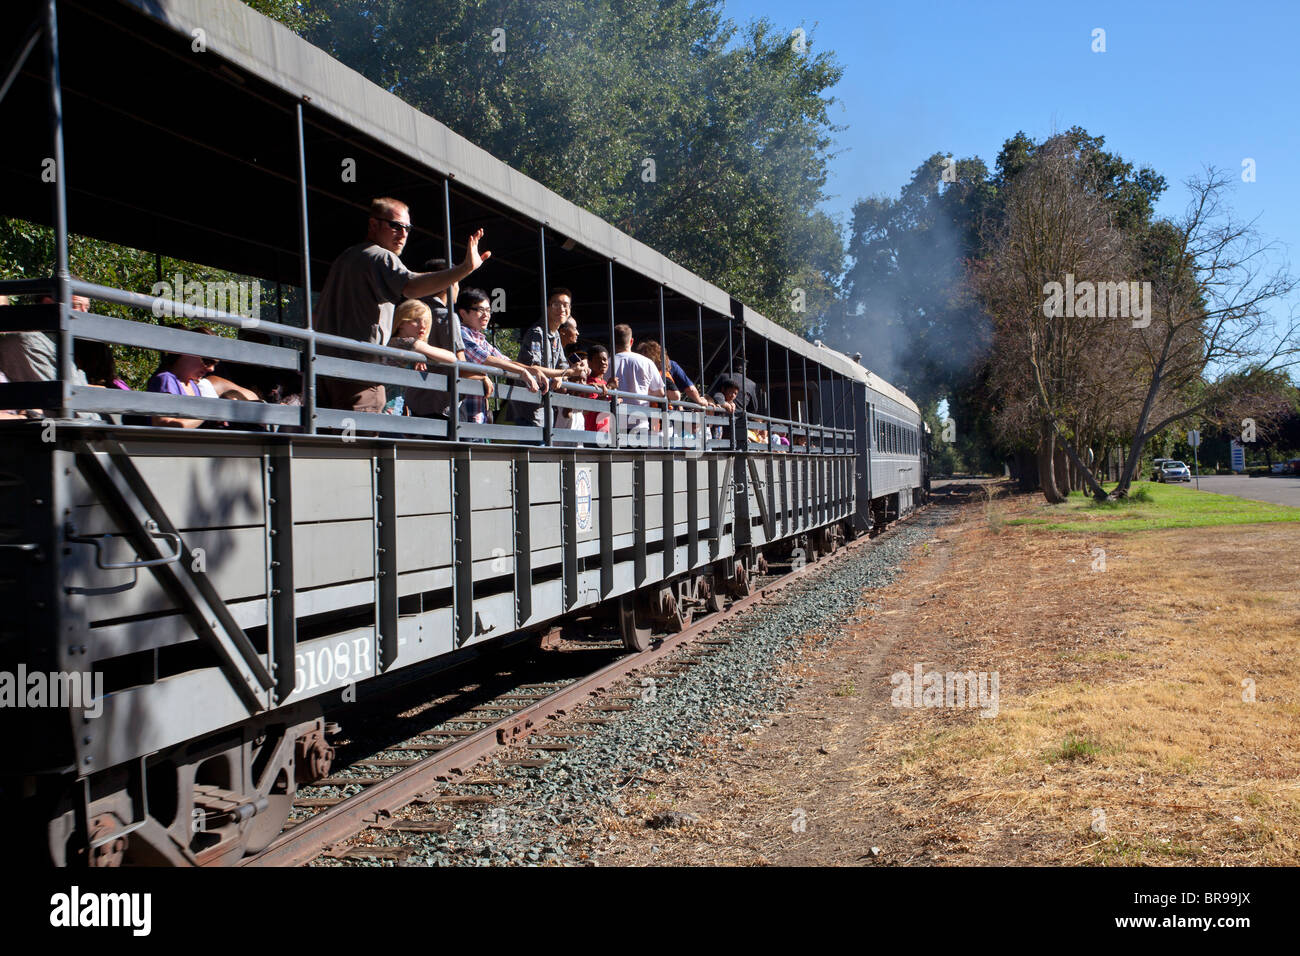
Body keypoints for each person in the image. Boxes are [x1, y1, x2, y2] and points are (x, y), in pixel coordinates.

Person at [313, 197, 490, 415]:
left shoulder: (347, 257)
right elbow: (411, 286)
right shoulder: (380, 256)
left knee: (325, 446)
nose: (403, 234)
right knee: (360, 448)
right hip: (359, 376)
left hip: (325, 371)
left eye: (407, 228)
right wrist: (465, 269)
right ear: (373, 224)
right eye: (395, 226)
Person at [385, 299, 491, 417]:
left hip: (393, 405)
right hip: (388, 407)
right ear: (401, 323)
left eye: (425, 321)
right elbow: (451, 357)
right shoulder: (409, 343)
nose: (423, 326)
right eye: (415, 320)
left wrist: (421, 358)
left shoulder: (395, 342)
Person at [453, 288, 542, 429]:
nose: (486, 315)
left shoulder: (481, 339)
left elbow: (505, 361)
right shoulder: (462, 333)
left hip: (477, 412)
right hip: (462, 412)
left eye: (488, 310)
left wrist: (533, 370)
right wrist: (523, 372)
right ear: (463, 313)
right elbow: (486, 358)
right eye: (480, 310)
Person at [509, 287, 576, 426]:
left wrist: (561, 375)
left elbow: (563, 366)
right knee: (534, 445)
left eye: (566, 305)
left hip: (543, 406)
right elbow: (535, 368)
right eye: (556, 304)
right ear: (547, 307)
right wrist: (566, 372)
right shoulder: (537, 332)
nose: (562, 309)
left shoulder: (556, 335)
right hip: (528, 406)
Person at [610, 324, 664, 434]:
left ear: (613, 342)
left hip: (613, 422)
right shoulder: (646, 362)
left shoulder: (606, 363)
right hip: (640, 422)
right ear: (631, 341)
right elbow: (660, 393)